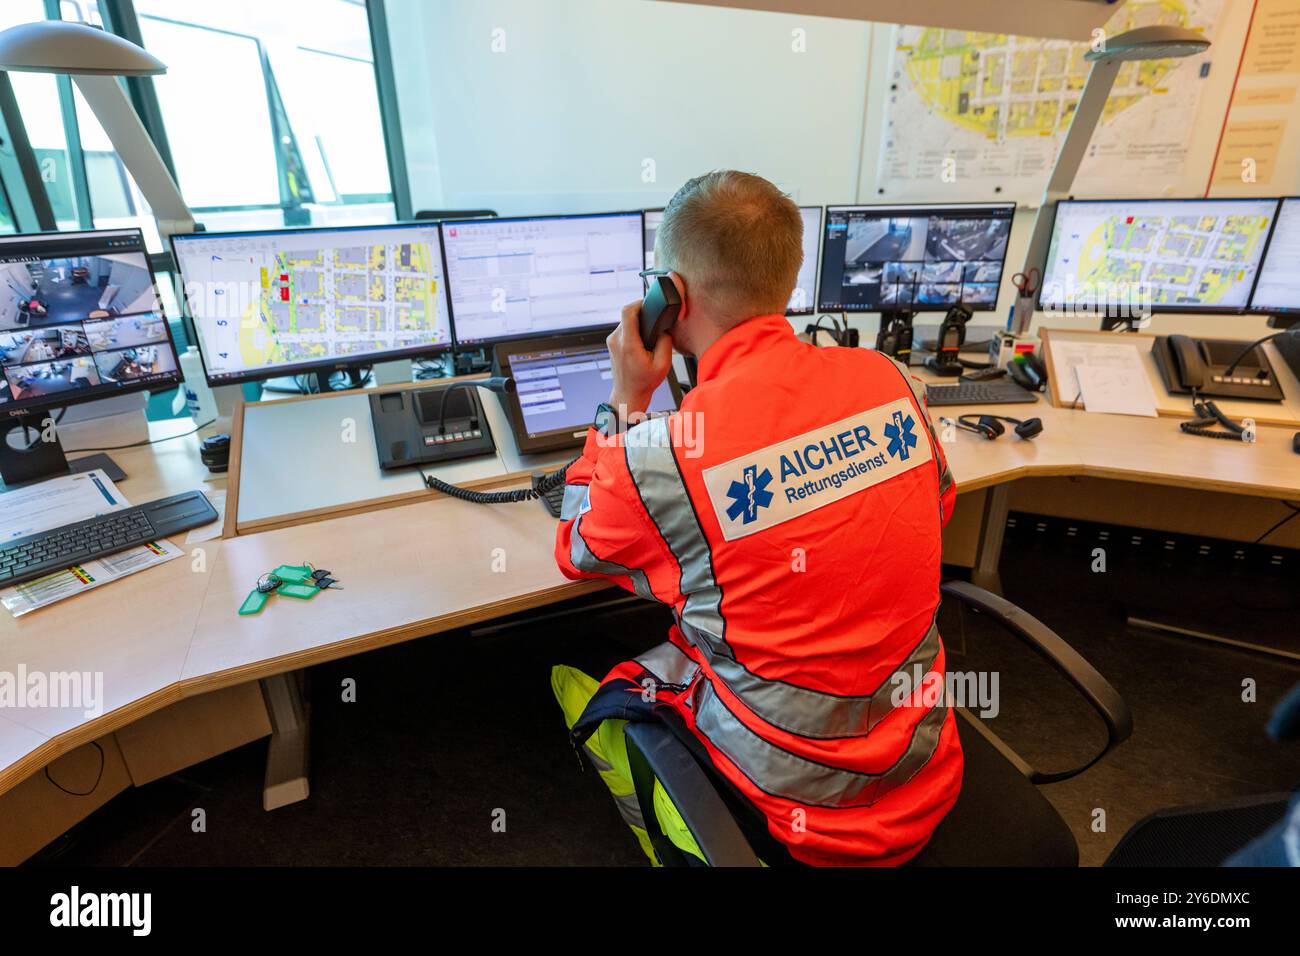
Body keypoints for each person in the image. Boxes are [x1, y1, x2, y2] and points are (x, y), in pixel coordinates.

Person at [550, 170, 961, 866]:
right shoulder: (893, 383)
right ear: (787, 279)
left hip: (792, 805)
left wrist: (623, 402)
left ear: (668, 297)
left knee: (601, 684)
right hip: (923, 764)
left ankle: (670, 831)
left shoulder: (665, 455)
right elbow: (936, 507)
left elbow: (577, 546)